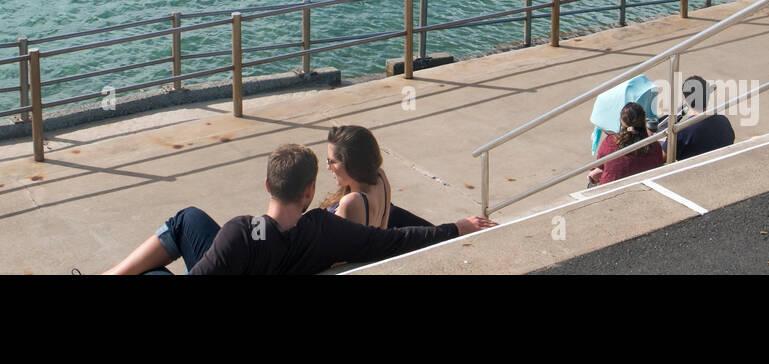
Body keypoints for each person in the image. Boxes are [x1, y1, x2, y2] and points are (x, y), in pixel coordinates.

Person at [103, 144, 493, 274]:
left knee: (161, 256)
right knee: (190, 218)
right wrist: (456, 227)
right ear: (309, 191)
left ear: (268, 185)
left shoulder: (242, 232)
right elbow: (392, 240)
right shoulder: (324, 229)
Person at [588, 102, 664, 186]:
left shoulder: (610, 142)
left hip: (611, 190)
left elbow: (600, 165)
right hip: (646, 188)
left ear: (621, 121)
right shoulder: (655, 146)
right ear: (644, 120)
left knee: (593, 177)